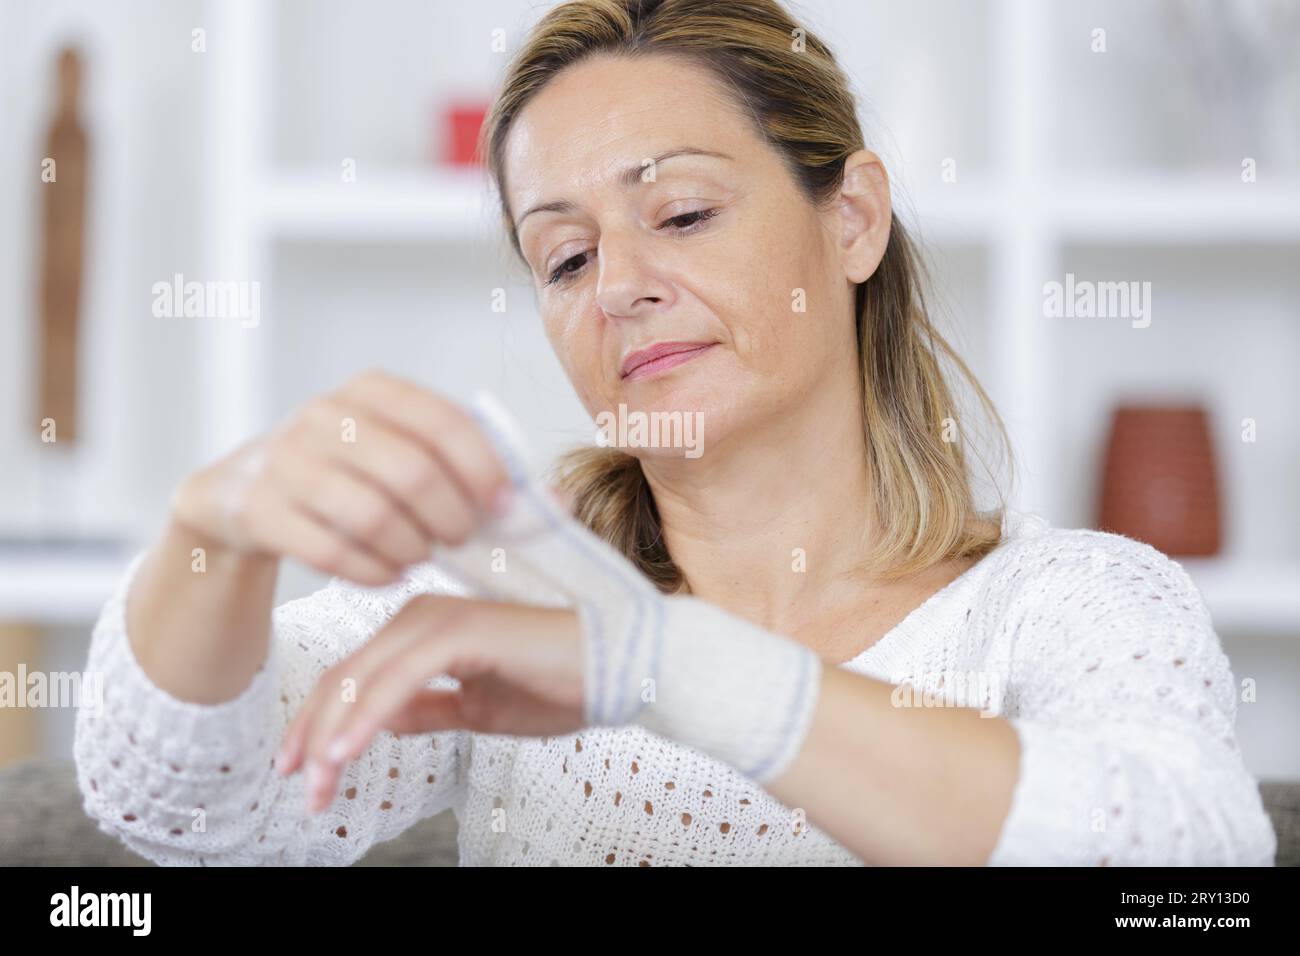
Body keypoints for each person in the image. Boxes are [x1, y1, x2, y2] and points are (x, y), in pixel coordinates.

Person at [74, 0, 1276, 866]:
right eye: (566, 255)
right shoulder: (509, 625)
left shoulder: (1070, 603)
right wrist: (210, 533)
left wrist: (659, 665)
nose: (618, 286)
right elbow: (184, 807)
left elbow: (1188, 865)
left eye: (684, 213)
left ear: (851, 221)